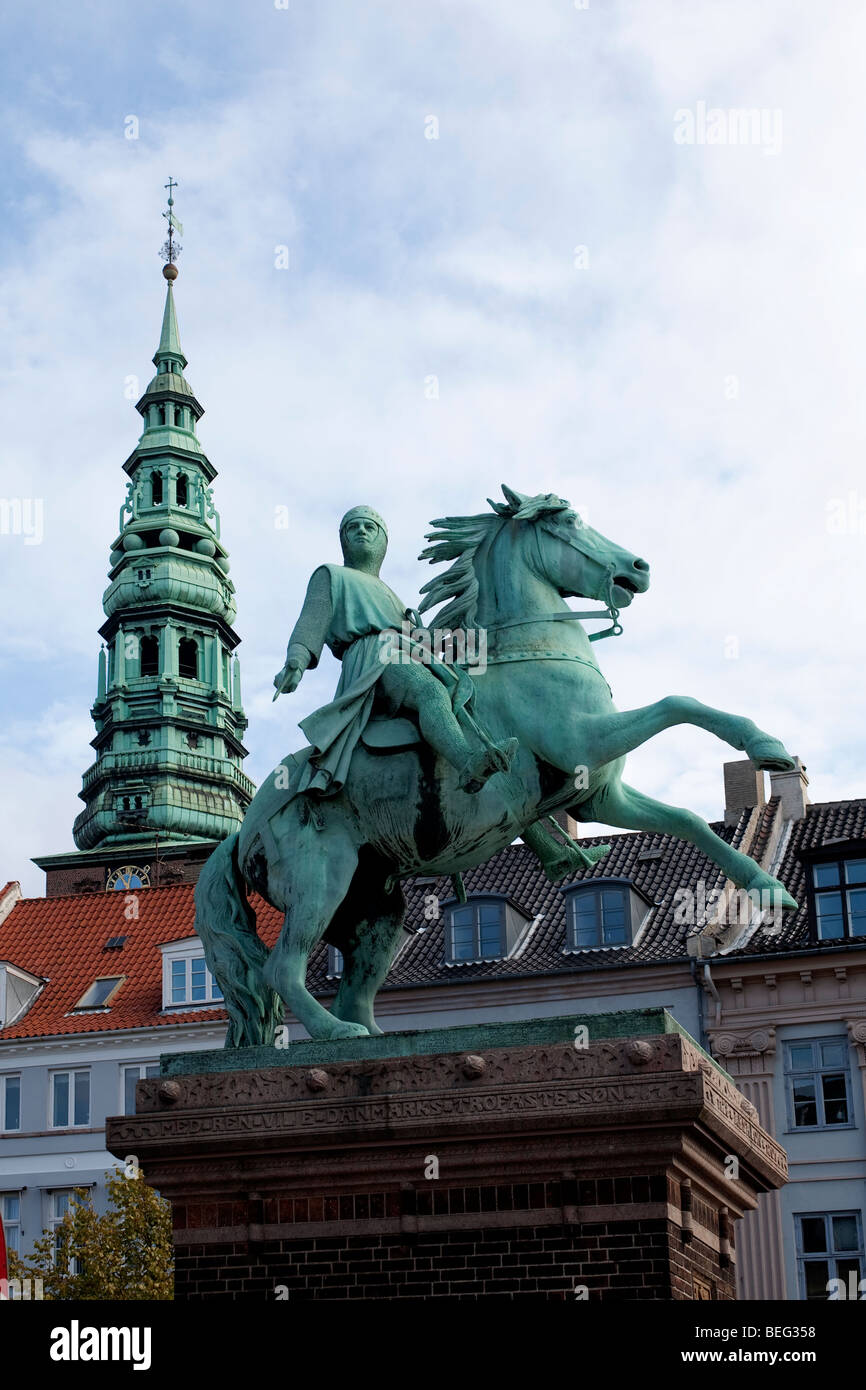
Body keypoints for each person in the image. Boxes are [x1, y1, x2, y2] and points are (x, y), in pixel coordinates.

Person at [273, 506, 517, 798]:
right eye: (354, 528)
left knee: (466, 683)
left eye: (369, 527)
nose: (361, 531)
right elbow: (310, 623)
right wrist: (296, 661)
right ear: (344, 540)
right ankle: (467, 763)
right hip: (373, 655)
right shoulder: (331, 575)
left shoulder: (393, 595)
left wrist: (483, 646)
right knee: (430, 690)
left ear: (383, 543)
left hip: (406, 652)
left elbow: (420, 640)